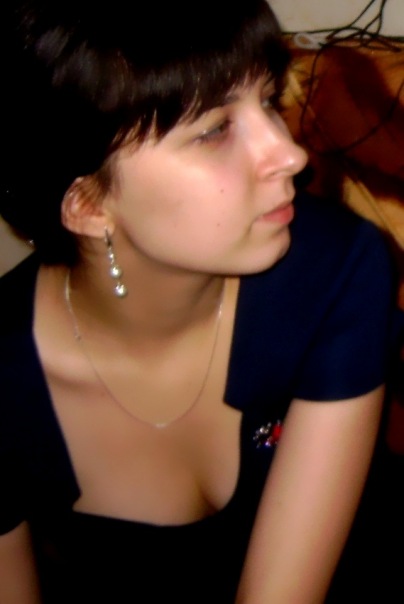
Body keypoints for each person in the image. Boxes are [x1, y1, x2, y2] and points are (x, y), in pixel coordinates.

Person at [0, 1, 400, 602]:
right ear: (88, 204)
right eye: (215, 130)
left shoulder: (336, 270)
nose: (290, 153)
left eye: (268, 100)